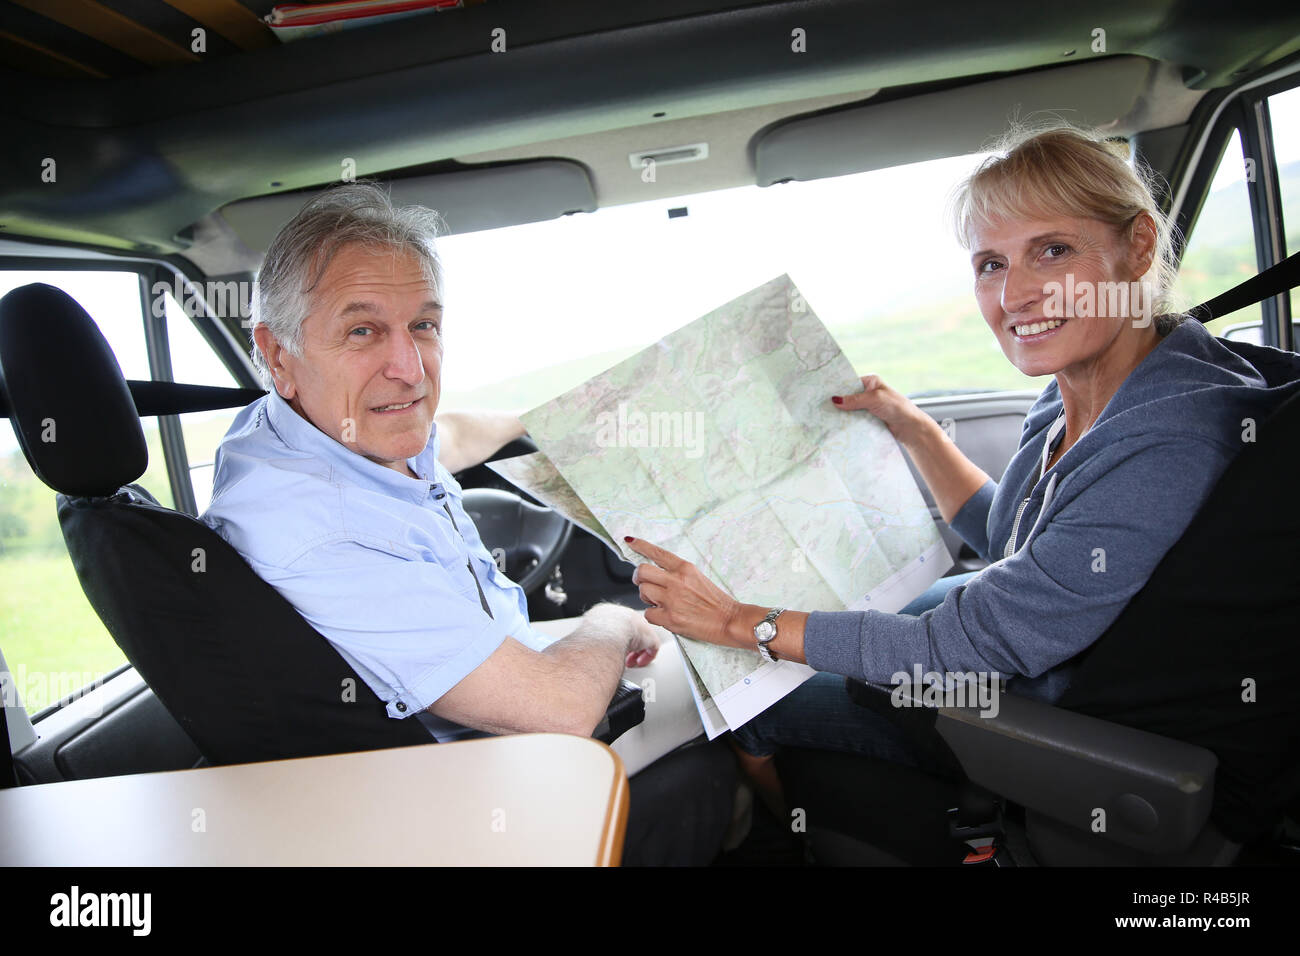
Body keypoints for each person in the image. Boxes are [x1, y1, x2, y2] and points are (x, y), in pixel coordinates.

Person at [625, 124, 1300, 810]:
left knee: (754, 697)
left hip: (1050, 714)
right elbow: (1011, 536)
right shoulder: (1076, 388)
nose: (1015, 297)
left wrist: (742, 622)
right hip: (1031, 654)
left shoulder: (1166, 439)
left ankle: (774, 837)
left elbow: (964, 646)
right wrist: (914, 427)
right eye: (991, 264)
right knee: (868, 617)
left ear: (1139, 246)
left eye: (1053, 250)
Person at [201, 182, 735, 865]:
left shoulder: (296, 431)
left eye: (423, 325)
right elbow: (560, 710)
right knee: (731, 671)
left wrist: (541, 422)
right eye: (362, 330)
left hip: (485, 672)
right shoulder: (317, 528)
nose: (409, 368)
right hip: (473, 771)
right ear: (277, 355)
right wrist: (614, 617)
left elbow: (443, 435)